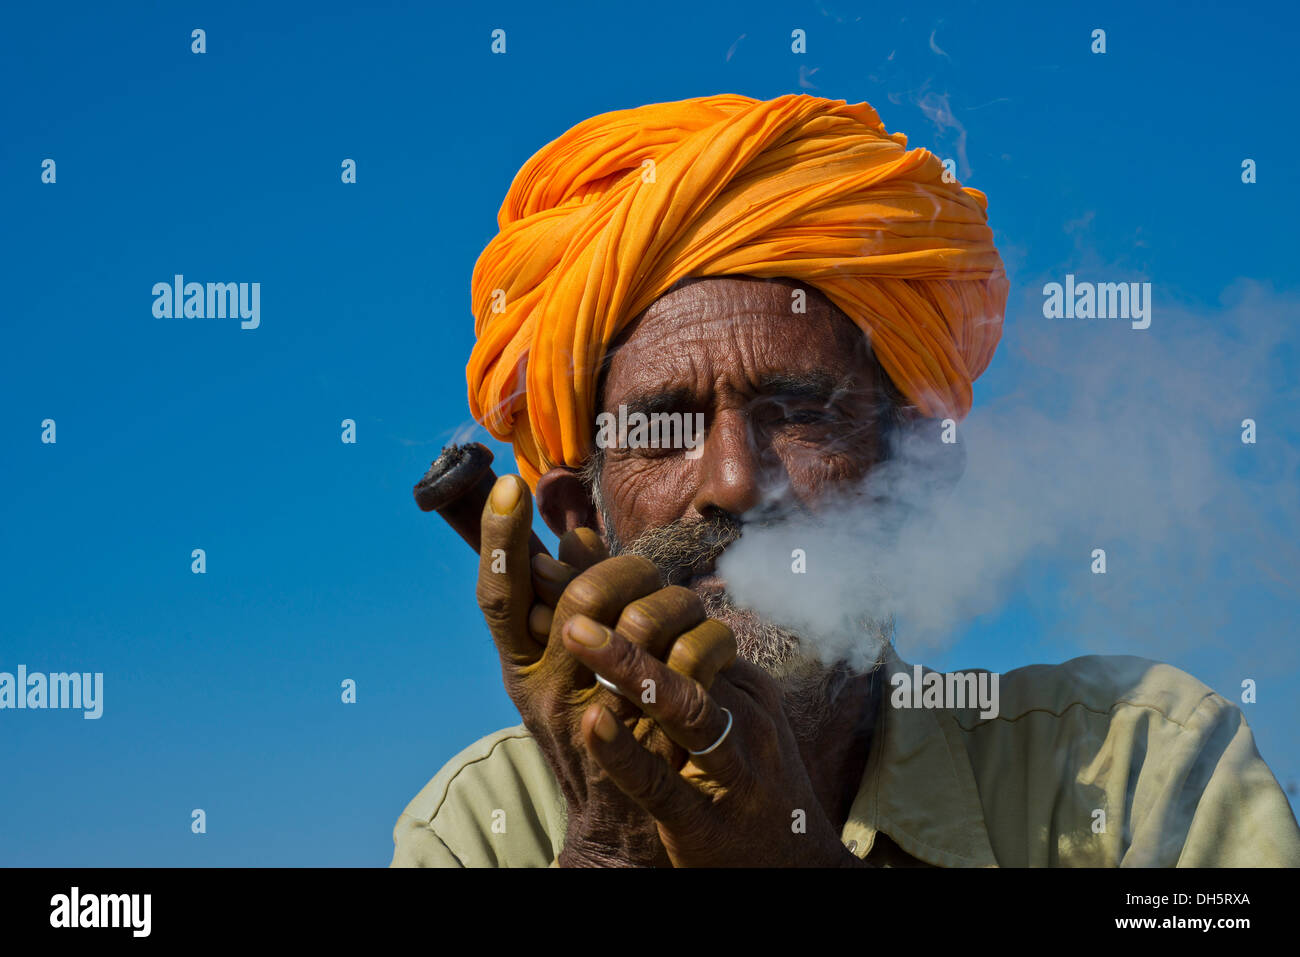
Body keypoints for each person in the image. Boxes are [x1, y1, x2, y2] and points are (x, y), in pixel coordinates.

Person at [390, 94, 1300, 867]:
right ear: (582, 516)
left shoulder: (1139, 769)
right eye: (663, 428)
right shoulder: (478, 829)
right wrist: (608, 848)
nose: (737, 484)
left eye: (799, 410)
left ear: (919, 470)